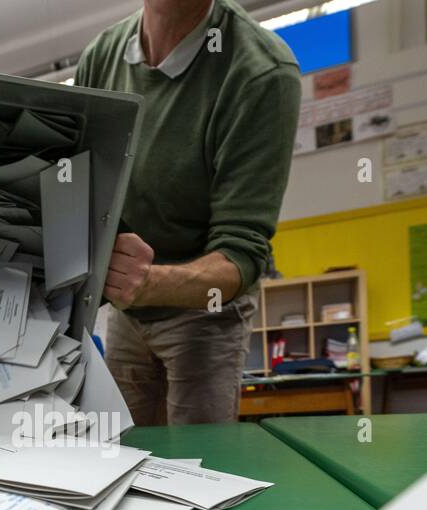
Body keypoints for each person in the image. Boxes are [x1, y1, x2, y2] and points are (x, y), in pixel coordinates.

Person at [74, 0, 301, 424]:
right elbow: (75, 182)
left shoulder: (261, 73)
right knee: (125, 449)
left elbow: (241, 254)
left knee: (201, 462)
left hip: (207, 310)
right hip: (128, 307)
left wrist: (151, 281)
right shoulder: (101, 57)